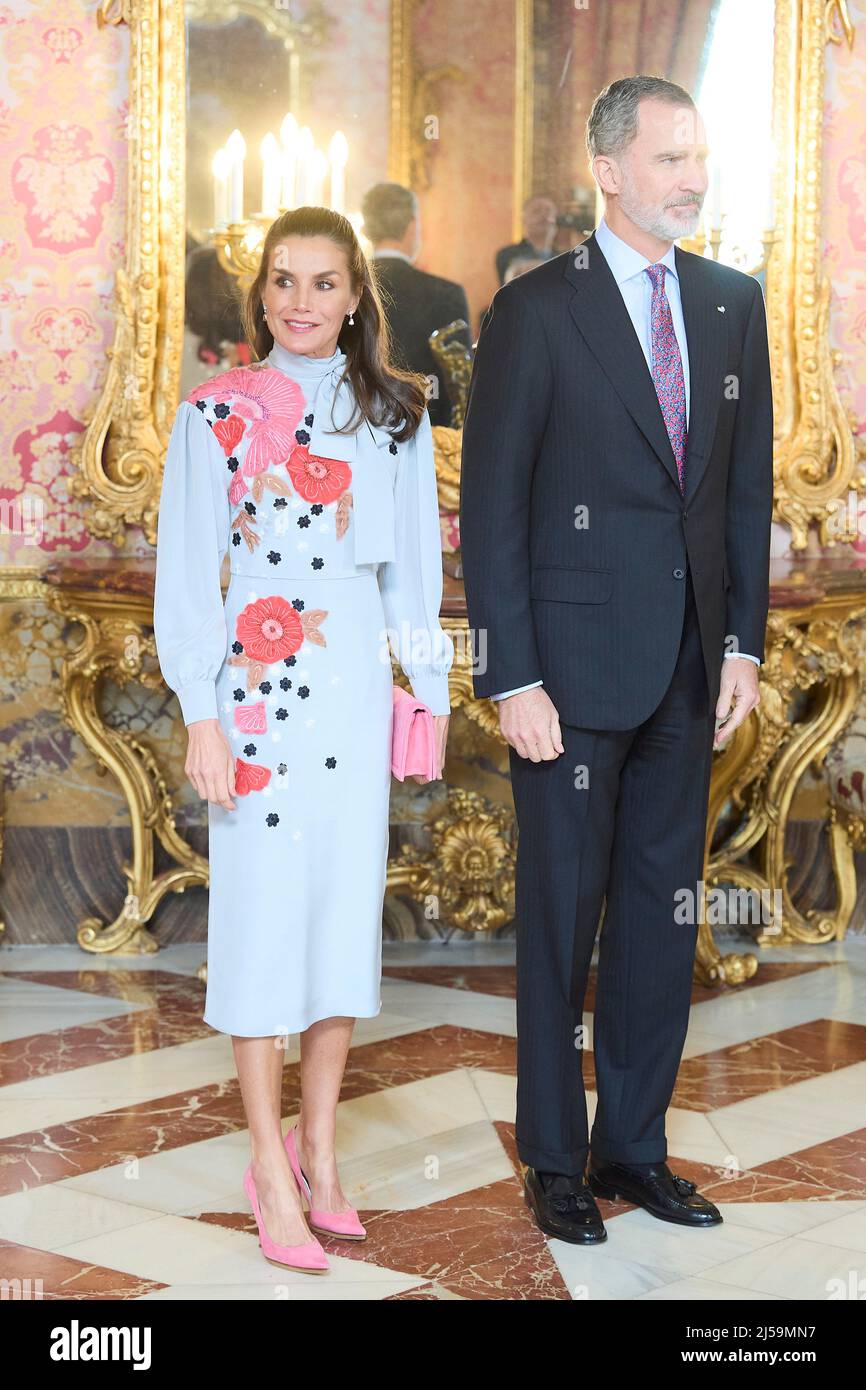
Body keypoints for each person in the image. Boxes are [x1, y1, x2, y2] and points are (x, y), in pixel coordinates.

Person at [460, 75, 773, 1245]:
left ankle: (632, 1148)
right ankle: (552, 1159)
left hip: (692, 671)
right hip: (565, 674)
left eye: (697, 156)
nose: (690, 178)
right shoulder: (536, 310)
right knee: (558, 918)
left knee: (660, 917)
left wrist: (740, 639)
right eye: (667, 158)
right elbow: (490, 511)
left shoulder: (733, 304)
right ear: (606, 170)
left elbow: (741, 497)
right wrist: (508, 674)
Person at [154, 205, 453, 1272]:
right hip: (251, 689)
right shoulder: (213, 412)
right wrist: (196, 705)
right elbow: (187, 573)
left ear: (357, 295)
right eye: (282, 281)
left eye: (323, 283)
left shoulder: (397, 416)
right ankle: (266, 1169)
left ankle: (321, 1153)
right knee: (259, 921)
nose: (300, 302)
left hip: (353, 681)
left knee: (334, 923)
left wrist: (425, 691)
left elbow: (412, 565)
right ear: (260, 294)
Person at [362, 182, 472, 427]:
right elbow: (461, 386)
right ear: (413, 225)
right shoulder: (446, 294)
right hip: (427, 433)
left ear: (366, 228)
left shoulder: (348, 288)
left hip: (353, 429)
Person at [494, 194, 558, 285]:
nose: (544, 215)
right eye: (537, 211)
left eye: (549, 211)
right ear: (523, 220)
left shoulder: (565, 256)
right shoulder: (507, 254)